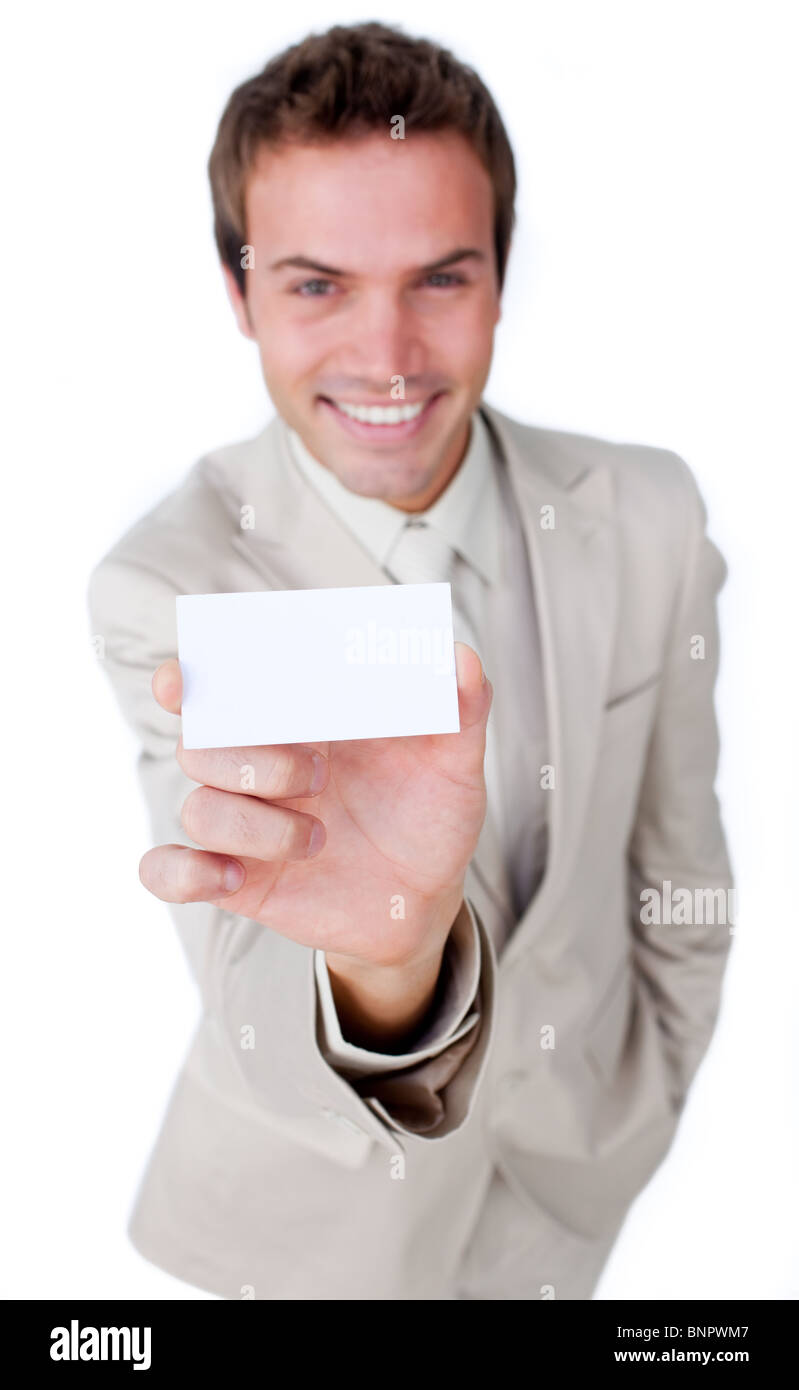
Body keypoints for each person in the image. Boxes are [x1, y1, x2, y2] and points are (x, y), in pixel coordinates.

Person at [87, 21, 734, 1300]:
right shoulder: (174, 584)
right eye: (317, 285)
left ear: (501, 275)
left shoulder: (647, 514)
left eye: (439, 279)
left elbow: (681, 865)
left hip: (574, 1199)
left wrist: (650, 1093)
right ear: (239, 292)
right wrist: (392, 955)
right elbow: (253, 992)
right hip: (319, 1243)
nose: (386, 358)